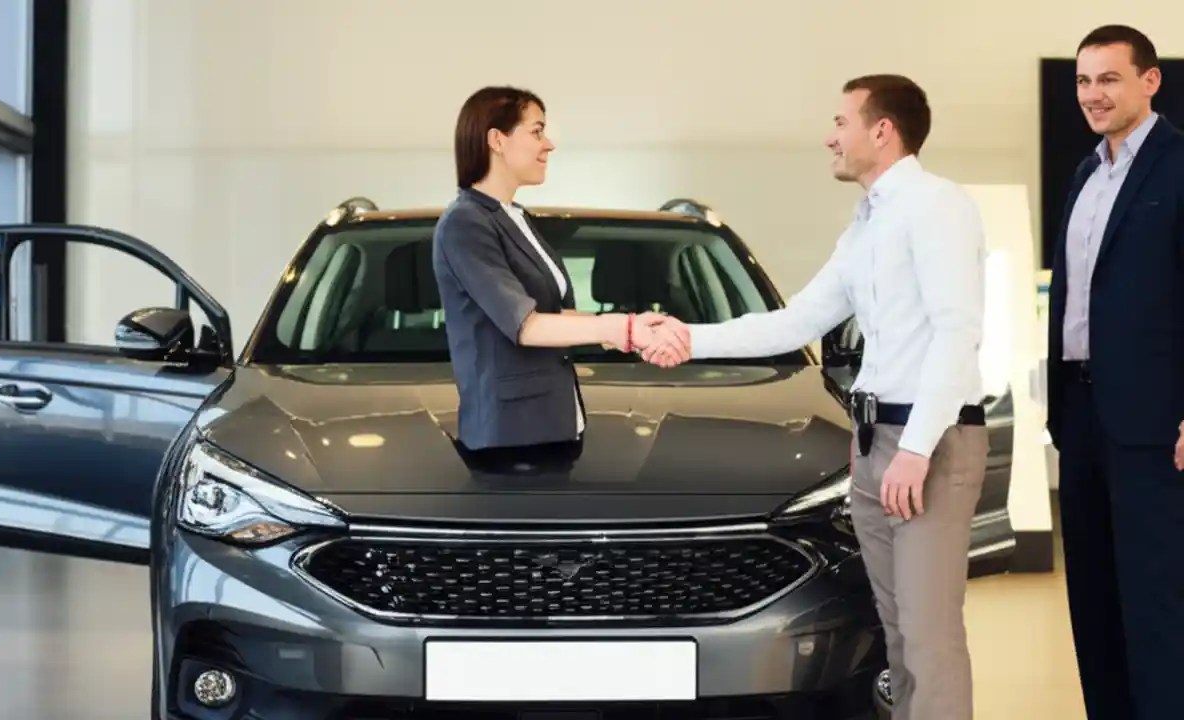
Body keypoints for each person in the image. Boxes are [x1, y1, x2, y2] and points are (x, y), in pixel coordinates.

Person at [643, 75, 988, 720]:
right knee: (898, 635)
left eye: (841, 121)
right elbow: (796, 322)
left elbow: (957, 332)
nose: (830, 136)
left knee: (930, 637)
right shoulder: (867, 224)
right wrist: (689, 339)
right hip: (873, 442)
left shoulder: (937, 207)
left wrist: (914, 450)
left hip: (928, 442)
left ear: (881, 130)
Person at [1045, 25, 1184, 720]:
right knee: (1093, 597)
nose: (1092, 95)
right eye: (1082, 81)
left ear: (1149, 80)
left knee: (1157, 601)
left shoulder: (1180, 165)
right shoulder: (1084, 174)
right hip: (1080, 412)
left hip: (1157, 424)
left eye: (1108, 78)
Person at [432, 85, 688, 452]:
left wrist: (631, 327)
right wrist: (623, 329)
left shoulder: (514, 216)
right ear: (497, 140)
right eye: (537, 131)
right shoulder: (466, 223)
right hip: (511, 435)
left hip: (553, 422)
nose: (548, 144)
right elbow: (525, 324)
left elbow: (552, 314)